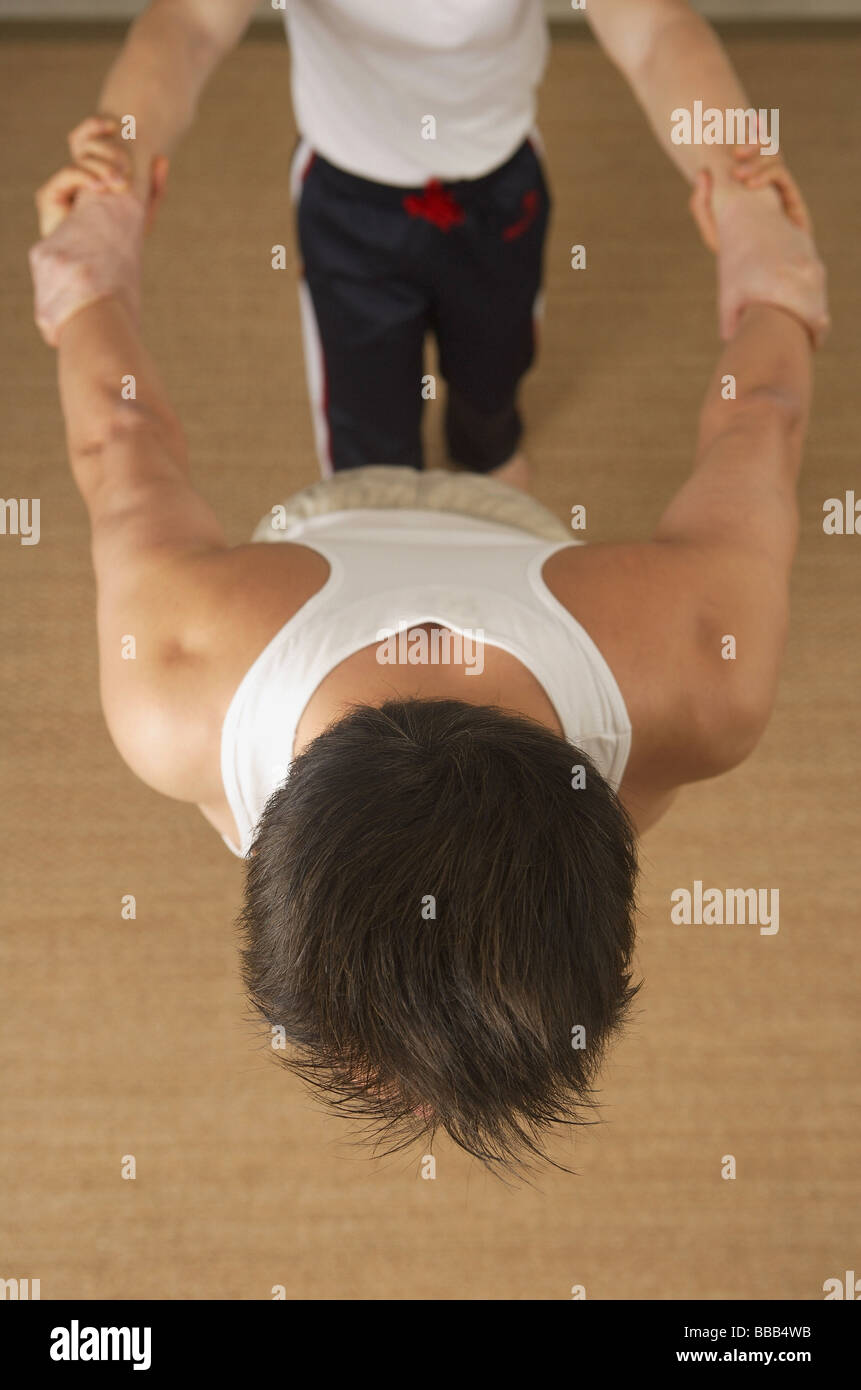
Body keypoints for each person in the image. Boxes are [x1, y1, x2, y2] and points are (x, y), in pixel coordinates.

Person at [28, 2, 828, 1176]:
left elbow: (764, 410)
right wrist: (88, 270)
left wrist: (93, 240)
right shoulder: (177, 684)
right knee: (380, 417)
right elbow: (115, 440)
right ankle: (464, 458)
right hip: (471, 553)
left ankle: (486, 444)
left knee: (483, 394)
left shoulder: (703, 678)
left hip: (460, 555)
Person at [36, 0, 829, 490]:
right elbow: (187, 27)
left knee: (495, 362)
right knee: (367, 435)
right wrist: (119, 161)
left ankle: (484, 449)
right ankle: (387, 497)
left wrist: (738, 181)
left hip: (499, 188)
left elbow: (655, 29)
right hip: (349, 201)